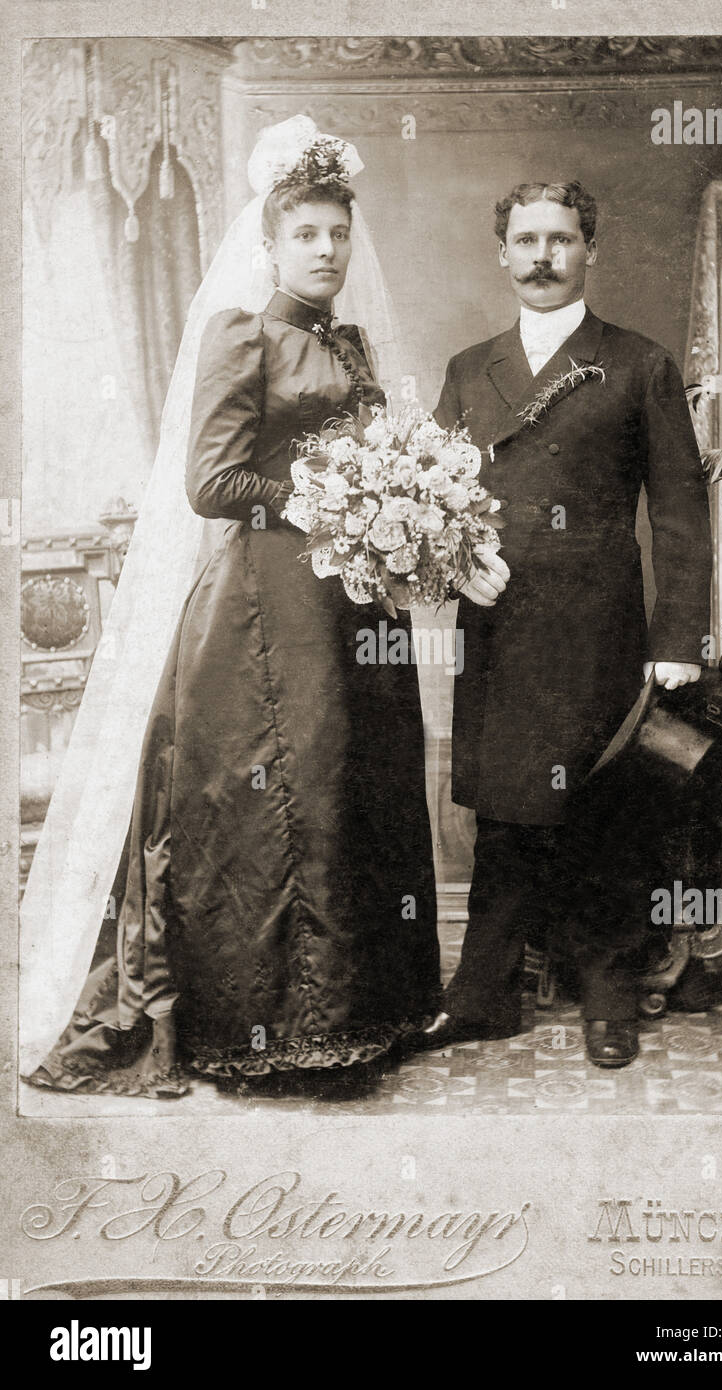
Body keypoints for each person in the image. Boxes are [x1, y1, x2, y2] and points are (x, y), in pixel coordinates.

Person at [20, 118, 440, 1098]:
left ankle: (361, 1018)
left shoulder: (353, 343)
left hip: (347, 601)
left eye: (338, 233)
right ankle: (270, 1033)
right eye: (306, 235)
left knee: (353, 790)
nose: (326, 250)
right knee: (281, 800)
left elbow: (372, 455)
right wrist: (321, 497)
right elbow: (211, 482)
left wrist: (396, 498)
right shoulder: (238, 333)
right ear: (271, 242)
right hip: (262, 602)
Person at [417, 179, 713, 1068]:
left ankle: (608, 998)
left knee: (605, 812)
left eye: (562, 239)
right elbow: (433, 499)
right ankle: (482, 996)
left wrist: (677, 641)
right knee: (505, 816)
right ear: (501, 254)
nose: (542, 256)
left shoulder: (638, 364)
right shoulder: (470, 370)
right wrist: (457, 562)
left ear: (591, 252)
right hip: (499, 628)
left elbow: (680, 515)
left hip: (599, 631)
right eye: (525, 240)